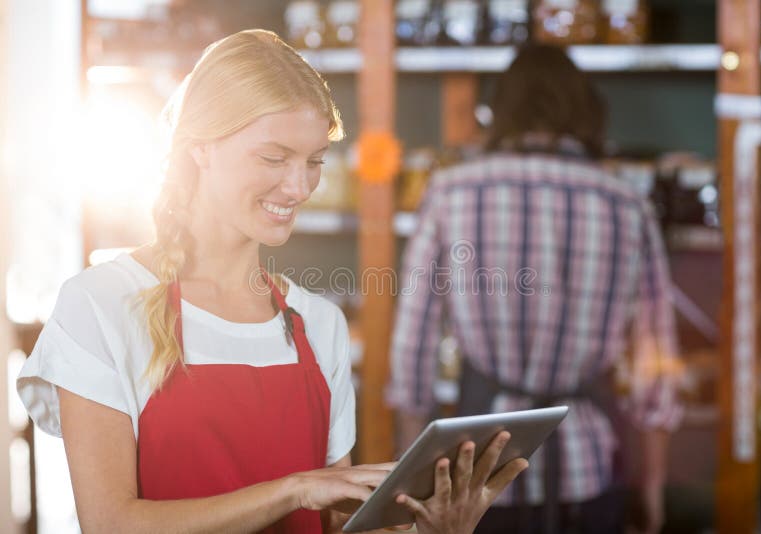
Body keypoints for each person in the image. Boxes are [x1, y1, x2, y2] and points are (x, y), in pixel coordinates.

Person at [16, 29, 528, 534]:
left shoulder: (316, 323)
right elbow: (111, 524)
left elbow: (333, 524)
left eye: (313, 162)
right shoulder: (100, 304)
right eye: (274, 158)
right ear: (200, 148)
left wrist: (435, 531)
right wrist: (294, 489)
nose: (299, 186)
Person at [387, 44, 683, 534]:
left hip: (475, 475)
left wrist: (412, 482)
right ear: (587, 112)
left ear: (499, 111)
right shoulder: (627, 205)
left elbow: (411, 353)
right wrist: (651, 488)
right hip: (589, 468)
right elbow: (656, 371)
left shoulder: (450, 193)